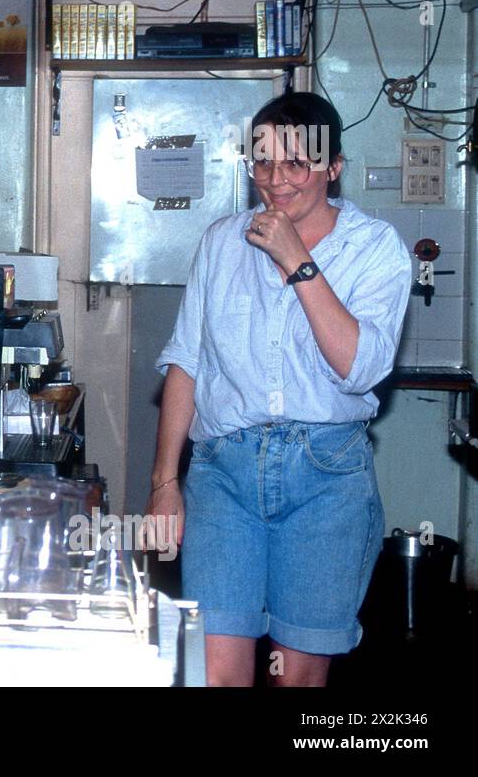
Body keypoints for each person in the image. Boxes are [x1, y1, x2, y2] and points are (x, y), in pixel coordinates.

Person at [146, 92, 411, 686]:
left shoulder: (375, 248)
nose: (276, 179)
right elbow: (188, 362)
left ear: (333, 168)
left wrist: (299, 263)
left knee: (297, 678)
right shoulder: (221, 242)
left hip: (326, 481)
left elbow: (361, 367)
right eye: (263, 162)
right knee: (216, 674)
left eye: (297, 163)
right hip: (224, 479)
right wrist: (165, 482)